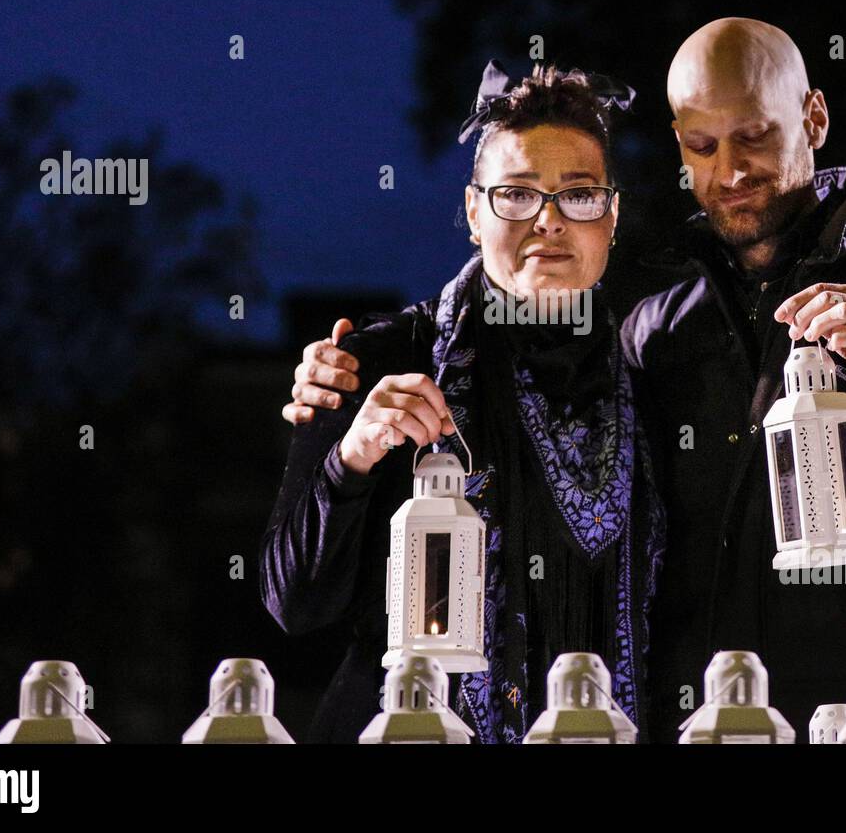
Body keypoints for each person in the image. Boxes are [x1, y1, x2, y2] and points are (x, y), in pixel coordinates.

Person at [288, 18, 846, 744]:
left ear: (814, 118)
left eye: (754, 136)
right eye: (702, 145)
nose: (729, 170)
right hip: (716, 724)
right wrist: (351, 385)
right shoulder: (659, 326)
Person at [260, 60, 666, 743]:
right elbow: (293, 603)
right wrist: (351, 460)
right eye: (517, 194)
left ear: (612, 215)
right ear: (475, 212)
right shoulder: (382, 363)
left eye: (579, 195)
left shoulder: (652, 371)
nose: (549, 220)